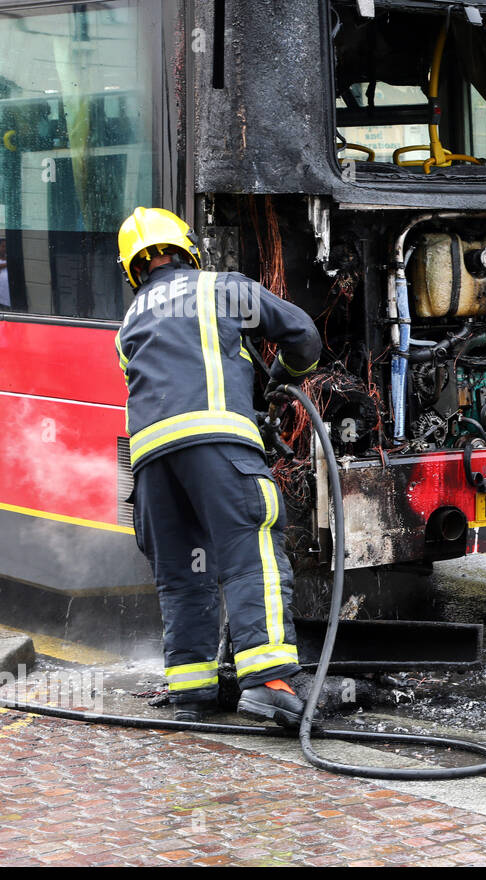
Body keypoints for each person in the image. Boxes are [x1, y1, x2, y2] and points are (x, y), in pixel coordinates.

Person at [114, 207, 321, 727]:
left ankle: (193, 692)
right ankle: (270, 682)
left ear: (134, 269)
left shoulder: (129, 323)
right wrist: (281, 378)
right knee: (250, 555)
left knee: (185, 574)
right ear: (188, 249)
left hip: (150, 468)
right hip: (217, 447)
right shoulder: (220, 287)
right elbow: (303, 335)